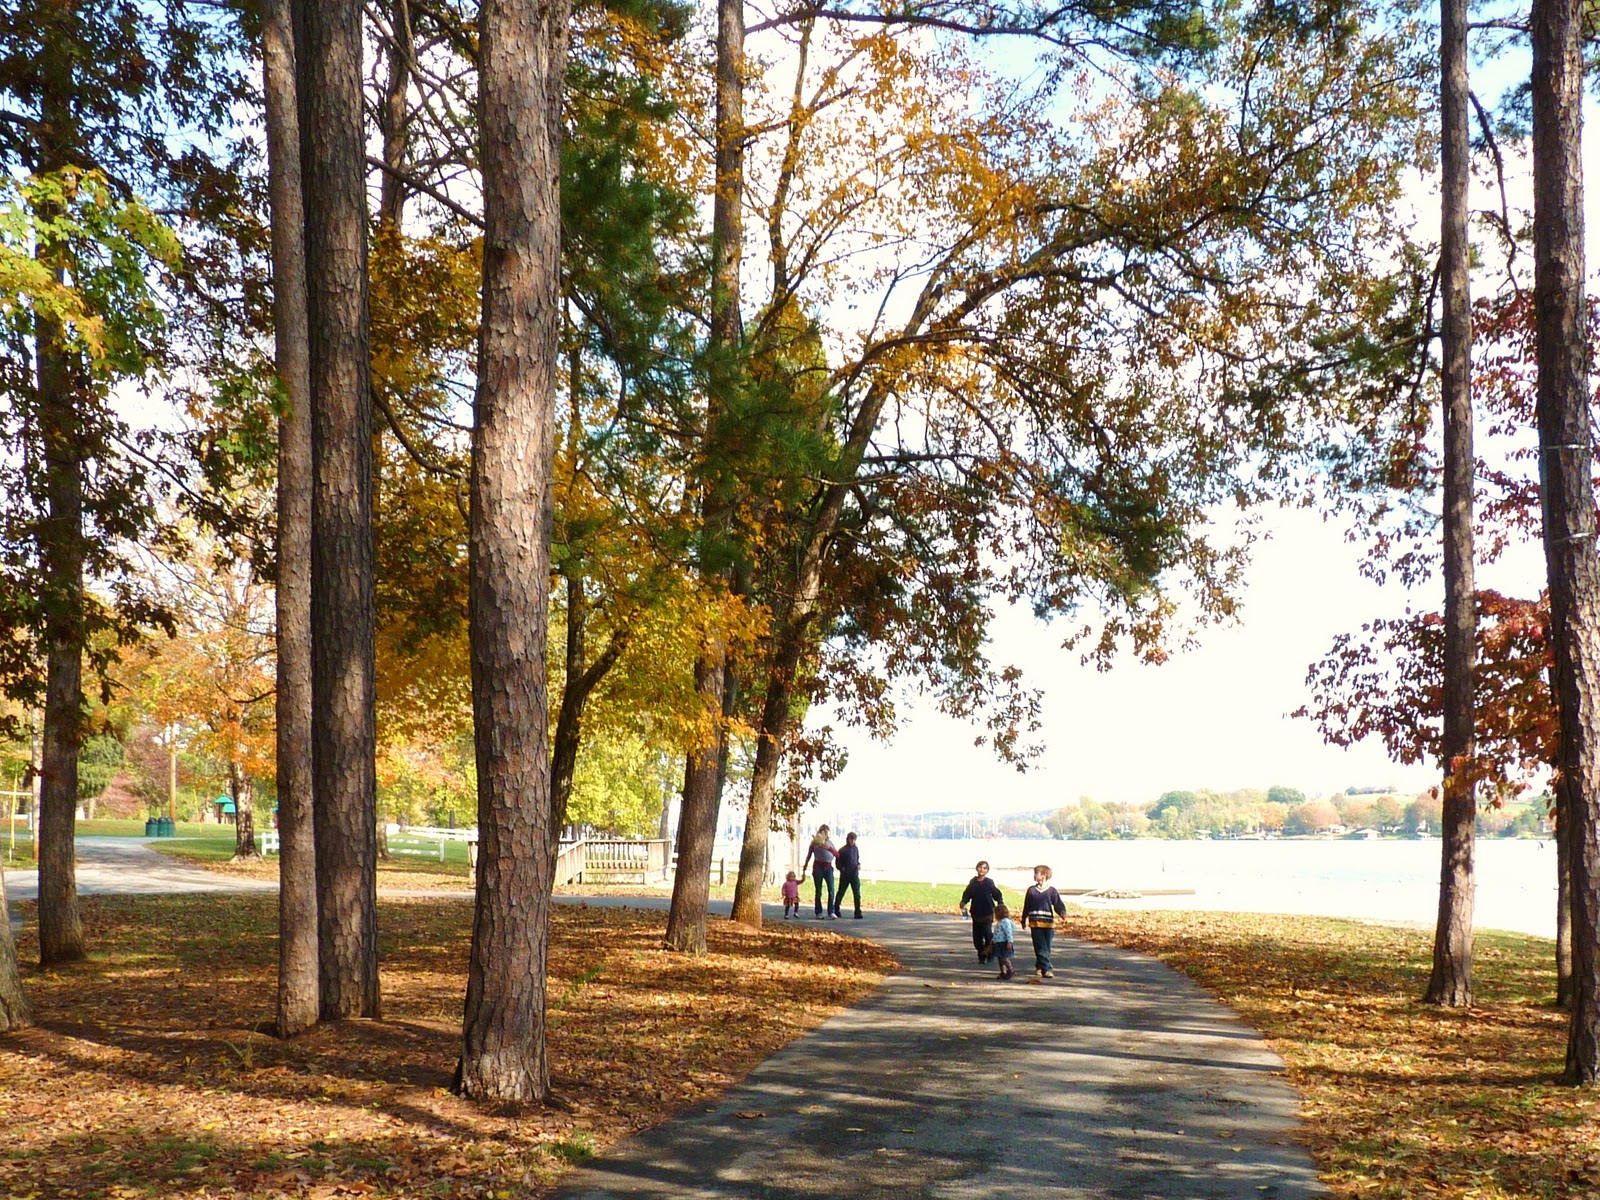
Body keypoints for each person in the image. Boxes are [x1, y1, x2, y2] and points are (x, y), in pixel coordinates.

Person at [1021, 863, 1067, 978]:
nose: (1034, 875)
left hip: (1048, 923)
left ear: (1044, 875)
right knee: (1040, 947)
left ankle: (1039, 966)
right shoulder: (1031, 890)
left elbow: (1057, 903)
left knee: (1046, 948)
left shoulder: (1052, 891)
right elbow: (1027, 906)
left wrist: (1062, 912)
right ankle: (1047, 969)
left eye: (1036, 873)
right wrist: (1023, 919)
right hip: (1035, 923)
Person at [959, 860, 1004, 964]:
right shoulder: (973, 882)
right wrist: (964, 901)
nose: (982, 870)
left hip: (988, 912)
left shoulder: (989, 882)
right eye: (980, 867)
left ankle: (989, 953)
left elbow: (996, 893)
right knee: (977, 938)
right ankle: (981, 953)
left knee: (988, 934)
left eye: (984, 868)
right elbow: (967, 894)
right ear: (976, 868)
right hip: (976, 912)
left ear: (987, 870)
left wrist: (1000, 902)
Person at [801, 825, 838, 918]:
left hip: (828, 867)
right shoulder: (815, 843)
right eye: (823, 831)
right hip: (818, 867)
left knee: (831, 890)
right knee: (818, 891)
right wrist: (805, 865)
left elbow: (837, 854)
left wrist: (829, 848)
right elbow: (809, 854)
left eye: (826, 832)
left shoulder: (829, 843)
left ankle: (831, 911)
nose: (825, 833)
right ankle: (819, 912)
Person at [834, 832, 863, 918]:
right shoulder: (842, 850)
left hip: (854, 874)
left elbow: (857, 859)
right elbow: (838, 862)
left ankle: (857, 911)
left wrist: (858, 865)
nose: (852, 841)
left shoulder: (856, 849)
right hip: (845, 875)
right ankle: (836, 909)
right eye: (851, 839)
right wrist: (842, 868)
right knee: (841, 892)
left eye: (853, 839)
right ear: (847, 839)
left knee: (857, 893)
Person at [992, 903, 1017, 980]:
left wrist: (1010, 941)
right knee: (1000, 958)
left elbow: (1008, 932)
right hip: (998, 943)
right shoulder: (1000, 922)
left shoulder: (1005, 922)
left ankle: (1010, 970)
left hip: (1004, 943)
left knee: (1004, 958)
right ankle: (1003, 972)